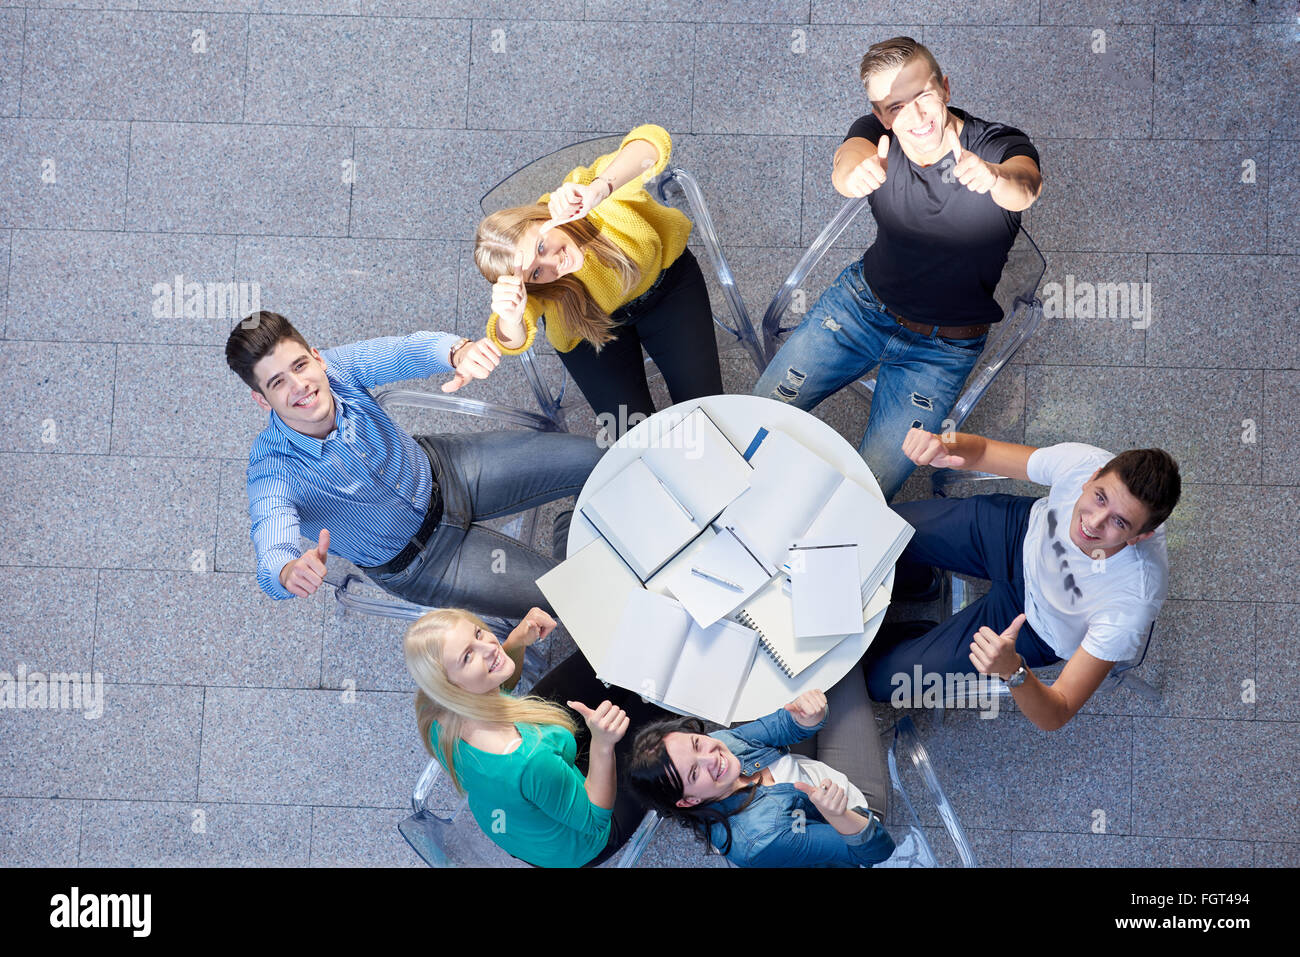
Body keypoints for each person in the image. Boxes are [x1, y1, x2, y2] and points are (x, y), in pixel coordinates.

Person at [753, 36, 1044, 501]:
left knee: (864, 494)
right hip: (859, 309)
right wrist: (850, 174)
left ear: (945, 87)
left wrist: (993, 177)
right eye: (895, 107)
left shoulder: (995, 143)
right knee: (754, 424)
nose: (915, 118)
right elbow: (847, 159)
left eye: (924, 96)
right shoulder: (877, 132)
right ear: (881, 112)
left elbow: (1025, 186)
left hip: (942, 351)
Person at [225, 310, 604, 620]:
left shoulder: (337, 369)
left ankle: (577, 527)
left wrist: (456, 352)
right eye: (277, 382)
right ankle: (569, 531)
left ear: (318, 357)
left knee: (595, 460)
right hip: (425, 562)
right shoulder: (272, 470)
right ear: (262, 400)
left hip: (449, 472)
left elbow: (404, 351)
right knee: (580, 600)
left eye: (301, 365)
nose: (300, 385)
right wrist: (287, 572)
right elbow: (271, 544)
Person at [866, 426, 1181, 730]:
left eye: (1119, 523)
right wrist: (944, 443)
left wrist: (1012, 670)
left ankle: (917, 633)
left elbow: (1057, 713)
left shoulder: (1130, 604)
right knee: (875, 529)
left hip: (1038, 625)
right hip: (1017, 534)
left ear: (1140, 537)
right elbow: (983, 451)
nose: (1093, 523)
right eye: (1100, 498)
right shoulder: (1083, 462)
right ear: (1092, 478)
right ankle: (919, 582)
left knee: (882, 681)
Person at [476, 124, 724, 439]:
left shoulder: (587, 195)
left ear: (540, 217)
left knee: (707, 413)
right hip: (591, 332)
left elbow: (652, 142)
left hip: (667, 289)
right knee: (632, 438)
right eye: (536, 273)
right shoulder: (539, 285)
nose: (553, 263)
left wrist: (600, 188)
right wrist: (511, 317)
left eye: (541, 247)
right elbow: (510, 337)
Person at [405, 606, 656, 867]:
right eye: (468, 656)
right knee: (659, 697)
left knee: (610, 656)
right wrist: (602, 745)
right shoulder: (526, 760)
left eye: (478, 634)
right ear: (451, 689)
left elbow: (494, 689)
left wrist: (515, 642)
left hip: (526, 807)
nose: (490, 648)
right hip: (583, 836)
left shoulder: (432, 707)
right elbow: (594, 820)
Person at [627, 674, 896, 868]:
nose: (711, 757)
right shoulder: (764, 839)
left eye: (697, 743)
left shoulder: (723, 745)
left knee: (825, 673)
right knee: (847, 674)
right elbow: (877, 851)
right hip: (852, 813)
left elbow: (781, 725)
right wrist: (837, 814)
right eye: (694, 773)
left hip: (810, 774)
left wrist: (809, 717)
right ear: (689, 801)